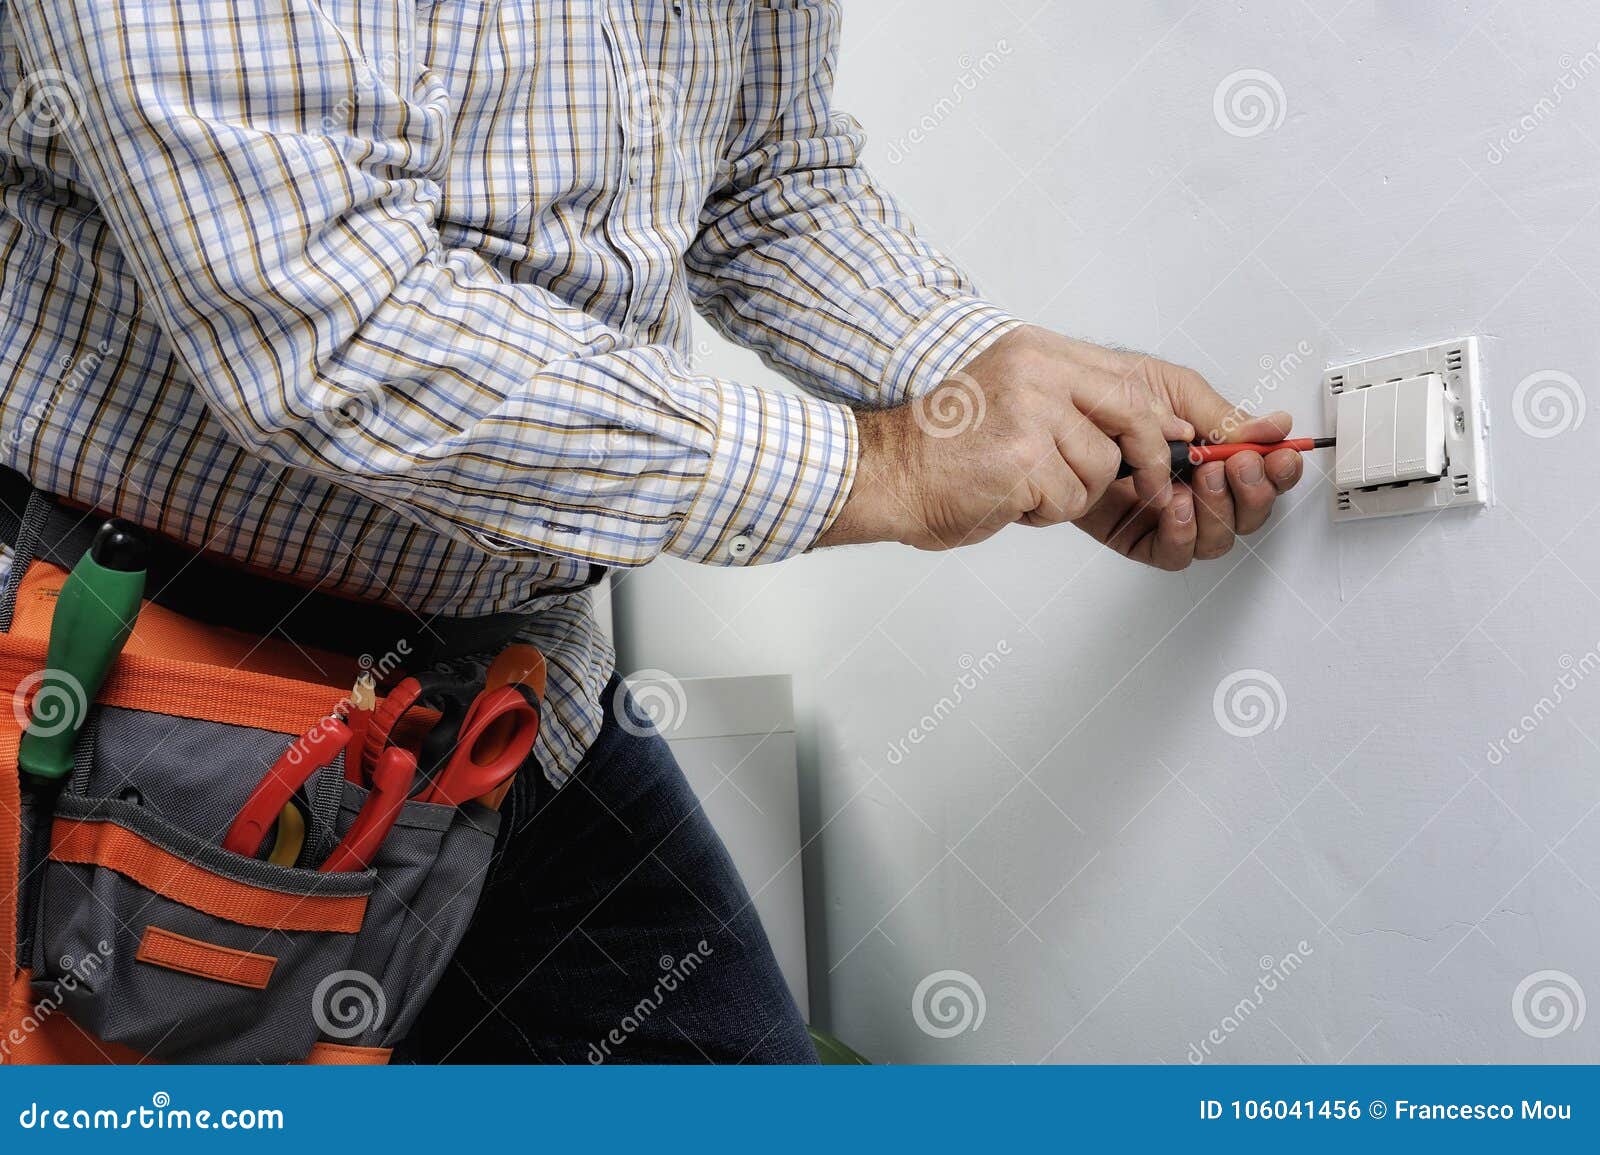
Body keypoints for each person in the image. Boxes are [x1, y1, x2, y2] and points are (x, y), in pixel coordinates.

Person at [0, 1, 1304, 1062]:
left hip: (516, 710)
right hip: (128, 699)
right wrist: (887, 469)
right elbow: (335, 330)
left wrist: (994, 384)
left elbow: (766, 178)